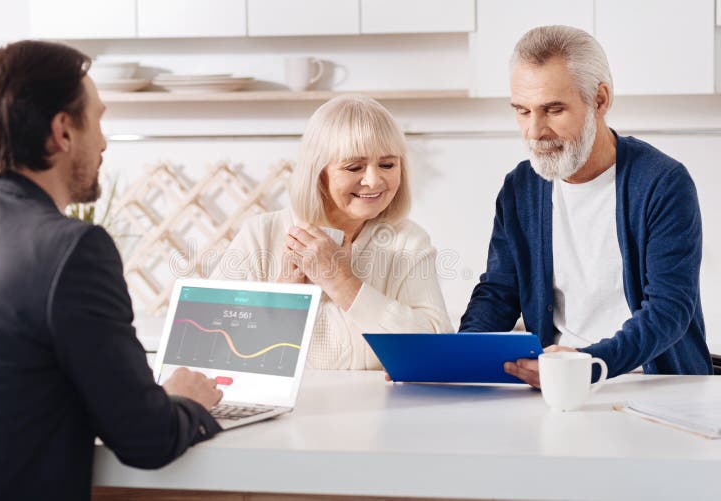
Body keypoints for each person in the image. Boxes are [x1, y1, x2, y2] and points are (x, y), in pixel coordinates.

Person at [0, 40, 223, 500]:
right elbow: (146, 439)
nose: (102, 142)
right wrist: (186, 399)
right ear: (63, 131)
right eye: (98, 120)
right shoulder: (73, 249)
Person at [459, 25, 713, 387]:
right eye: (522, 111)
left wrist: (591, 364)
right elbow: (499, 293)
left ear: (600, 100)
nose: (534, 131)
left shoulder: (662, 182)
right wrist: (459, 356)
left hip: (654, 386)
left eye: (553, 109)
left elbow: (668, 310)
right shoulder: (521, 187)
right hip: (560, 387)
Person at [212, 95, 452, 369]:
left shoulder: (408, 240)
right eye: (354, 167)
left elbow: (438, 350)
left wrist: (341, 281)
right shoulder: (261, 235)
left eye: (387, 164)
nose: (374, 180)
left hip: (381, 410)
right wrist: (283, 297)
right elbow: (211, 352)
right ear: (318, 172)